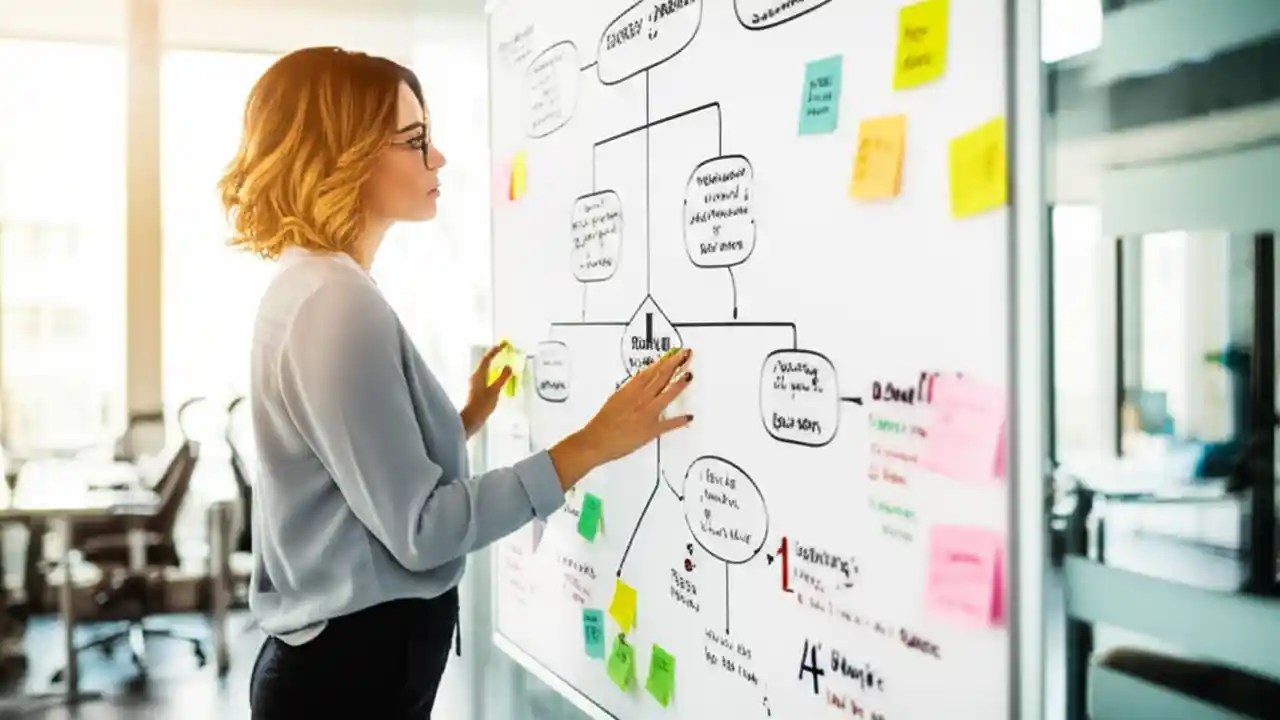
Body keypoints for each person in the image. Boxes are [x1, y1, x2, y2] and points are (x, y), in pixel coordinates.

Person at [218, 47, 694, 719]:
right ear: (343, 157)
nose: (437, 159)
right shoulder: (334, 303)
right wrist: (593, 443)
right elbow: (423, 529)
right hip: (350, 676)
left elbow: (355, 472)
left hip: (345, 662)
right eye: (415, 142)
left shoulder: (313, 284)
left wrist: (465, 415)